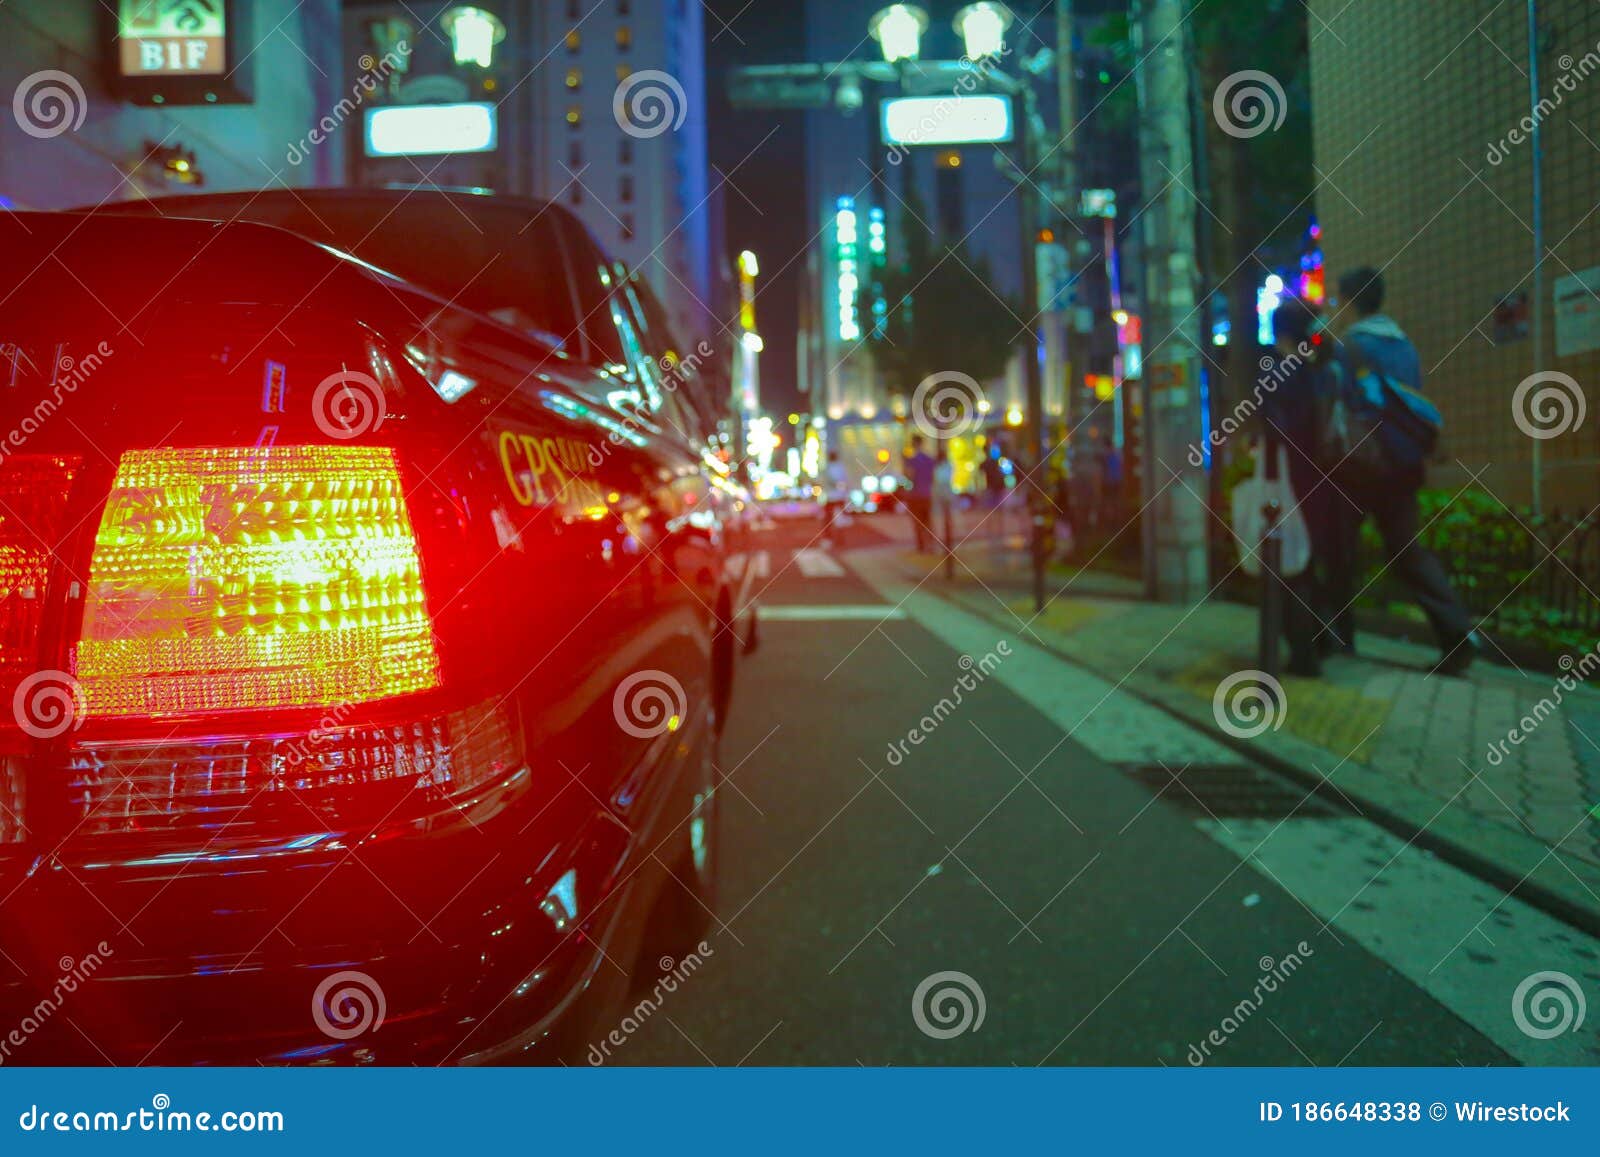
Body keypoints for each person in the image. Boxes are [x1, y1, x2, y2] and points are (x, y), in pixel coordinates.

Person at [1333, 268, 1480, 676]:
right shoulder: (1405, 346)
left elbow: (1343, 410)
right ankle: (1457, 633)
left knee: (1339, 548)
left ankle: (1339, 638)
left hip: (1361, 467)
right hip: (1404, 464)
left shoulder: (1350, 348)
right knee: (1406, 551)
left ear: (1347, 300)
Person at [1257, 296, 1343, 677]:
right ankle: (1323, 637)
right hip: (1319, 478)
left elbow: (1273, 430)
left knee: (1286, 565)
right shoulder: (1313, 372)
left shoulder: (1273, 370)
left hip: (1286, 480)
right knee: (1307, 562)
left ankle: (1302, 653)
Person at [905, 437, 937, 552]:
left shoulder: (911, 460)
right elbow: (933, 478)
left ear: (913, 444)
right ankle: (930, 545)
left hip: (915, 495)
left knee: (918, 522)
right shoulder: (929, 460)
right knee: (928, 521)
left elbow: (910, 477)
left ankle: (921, 546)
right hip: (927, 494)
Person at [820, 450, 849, 550]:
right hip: (840, 497)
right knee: (840, 520)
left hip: (830, 498)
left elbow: (824, 481)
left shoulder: (827, 468)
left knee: (828, 520)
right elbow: (845, 482)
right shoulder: (841, 468)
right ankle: (841, 540)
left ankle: (828, 540)